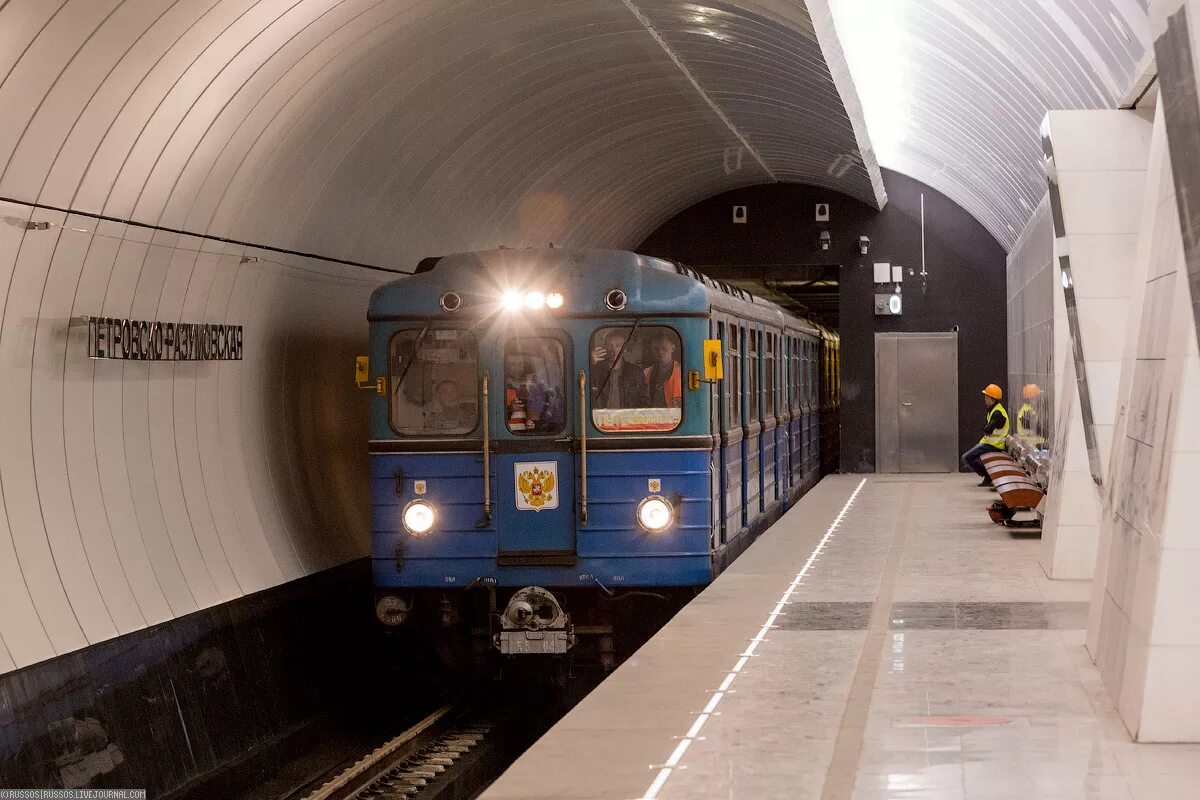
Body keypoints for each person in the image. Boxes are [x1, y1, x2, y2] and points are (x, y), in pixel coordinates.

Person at [961, 384, 1010, 487]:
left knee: (966, 458)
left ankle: (988, 476)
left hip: (994, 445)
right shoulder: (994, 410)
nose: (985, 399)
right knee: (967, 458)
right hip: (989, 444)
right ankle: (988, 476)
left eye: (986, 397)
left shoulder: (997, 413)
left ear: (991, 399)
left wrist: (985, 428)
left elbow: (988, 429)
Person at [591, 329, 648, 408]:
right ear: (605, 348)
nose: (613, 349)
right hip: (600, 416)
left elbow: (644, 402)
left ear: (624, 349)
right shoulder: (596, 370)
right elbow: (583, 389)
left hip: (626, 416)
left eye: (617, 345)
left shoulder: (636, 373)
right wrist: (590, 362)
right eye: (610, 345)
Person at [643, 334, 682, 408]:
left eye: (664, 348)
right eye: (656, 349)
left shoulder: (682, 372)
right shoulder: (646, 372)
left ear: (673, 348)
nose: (660, 352)